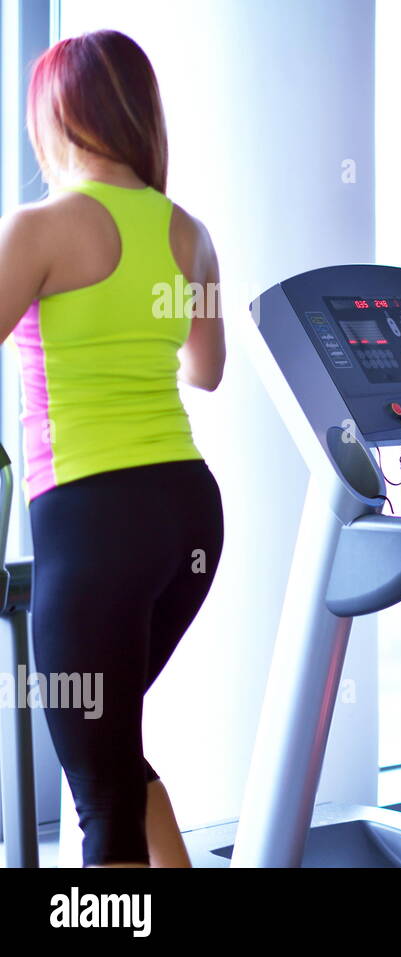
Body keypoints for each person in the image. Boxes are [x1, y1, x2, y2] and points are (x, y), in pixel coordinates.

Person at [0, 31, 225, 866]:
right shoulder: (190, 234)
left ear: (58, 116)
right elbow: (206, 369)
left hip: (93, 525)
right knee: (111, 749)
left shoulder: (39, 228)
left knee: (99, 793)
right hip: (189, 519)